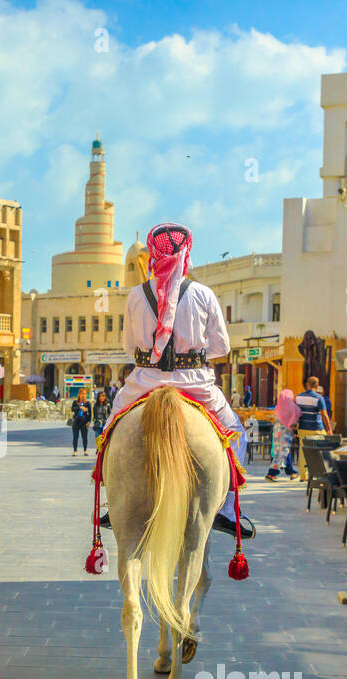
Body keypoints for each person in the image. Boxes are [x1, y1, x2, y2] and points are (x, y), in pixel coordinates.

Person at [108, 222, 251, 539]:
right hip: (196, 386)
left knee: (111, 428)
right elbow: (222, 347)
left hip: (143, 383)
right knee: (237, 434)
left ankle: (113, 502)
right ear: (186, 254)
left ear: (153, 256)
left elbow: (129, 347)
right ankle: (226, 512)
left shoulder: (135, 296)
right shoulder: (203, 294)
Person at [294, 376, 333, 482]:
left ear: (307, 384)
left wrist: (295, 427)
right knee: (324, 448)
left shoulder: (298, 397)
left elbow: (296, 413)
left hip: (302, 428)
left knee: (303, 450)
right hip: (316, 428)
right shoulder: (319, 398)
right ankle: (324, 472)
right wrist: (329, 429)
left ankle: (303, 476)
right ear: (316, 385)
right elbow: (324, 415)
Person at [265, 389, 300, 481]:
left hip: (277, 432)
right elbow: (297, 417)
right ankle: (272, 473)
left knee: (280, 452)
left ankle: (291, 472)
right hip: (287, 432)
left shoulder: (278, 407)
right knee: (283, 452)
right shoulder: (293, 407)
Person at [71, 389, 92, 455]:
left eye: (85, 394)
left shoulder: (87, 403)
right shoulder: (75, 402)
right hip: (76, 423)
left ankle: (85, 451)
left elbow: (90, 413)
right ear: (79, 394)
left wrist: (89, 422)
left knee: (85, 437)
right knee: (75, 437)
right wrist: (80, 407)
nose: (83, 395)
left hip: (84, 423)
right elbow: (72, 409)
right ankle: (75, 451)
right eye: (82, 393)